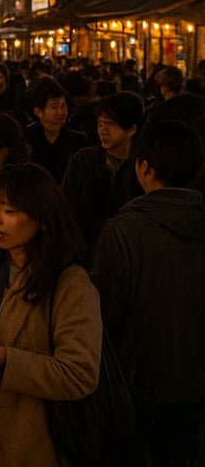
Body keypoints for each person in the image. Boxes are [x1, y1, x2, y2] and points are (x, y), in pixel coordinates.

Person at [0, 163, 102, 467]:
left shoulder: (68, 283)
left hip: (32, 435)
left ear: (42, 219)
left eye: (10, 211)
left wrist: (5, 359)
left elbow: (79, 374)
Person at [93, 120, 205, 466]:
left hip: (137, 381)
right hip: (195, 382)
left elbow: (106, 313)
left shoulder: (125, 231)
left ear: (144, 167)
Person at [61, 90, 145, 259]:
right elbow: (65, 204)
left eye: (110, 124)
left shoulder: (143, 168)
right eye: (100, 124)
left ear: (131, 129)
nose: (102, 131)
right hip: (85, 253)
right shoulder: (84, 160)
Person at [24, 76, 88, 184]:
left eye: (63, 106)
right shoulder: (25, 138)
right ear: (38, 111)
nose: (61, 112)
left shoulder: (79, 140)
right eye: (54, 107)